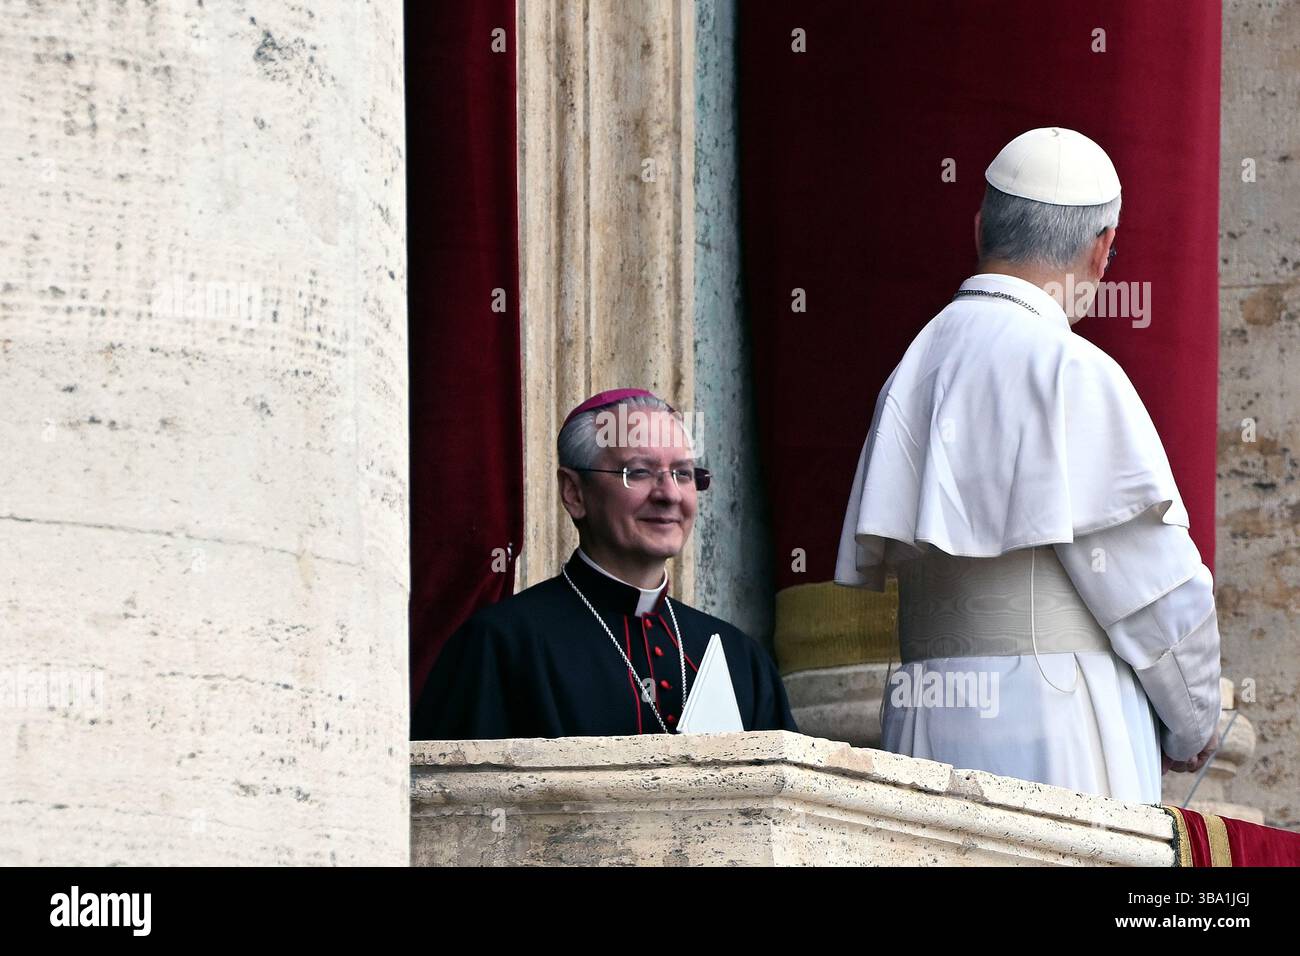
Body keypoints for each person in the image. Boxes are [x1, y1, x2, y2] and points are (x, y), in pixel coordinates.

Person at [834, 127, 1221, 803]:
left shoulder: (911, 371)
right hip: (1058, 723)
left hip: (925, 724)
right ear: (1102, 250)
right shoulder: (1073, 370)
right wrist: (1195, 723)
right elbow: (1159, 596)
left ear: (981, 225)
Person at [413, 388, 799, 739]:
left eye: (682, 473)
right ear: (574, 493)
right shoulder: (500, 647)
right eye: (640, 472)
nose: (668, 494)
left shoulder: (739, 658)